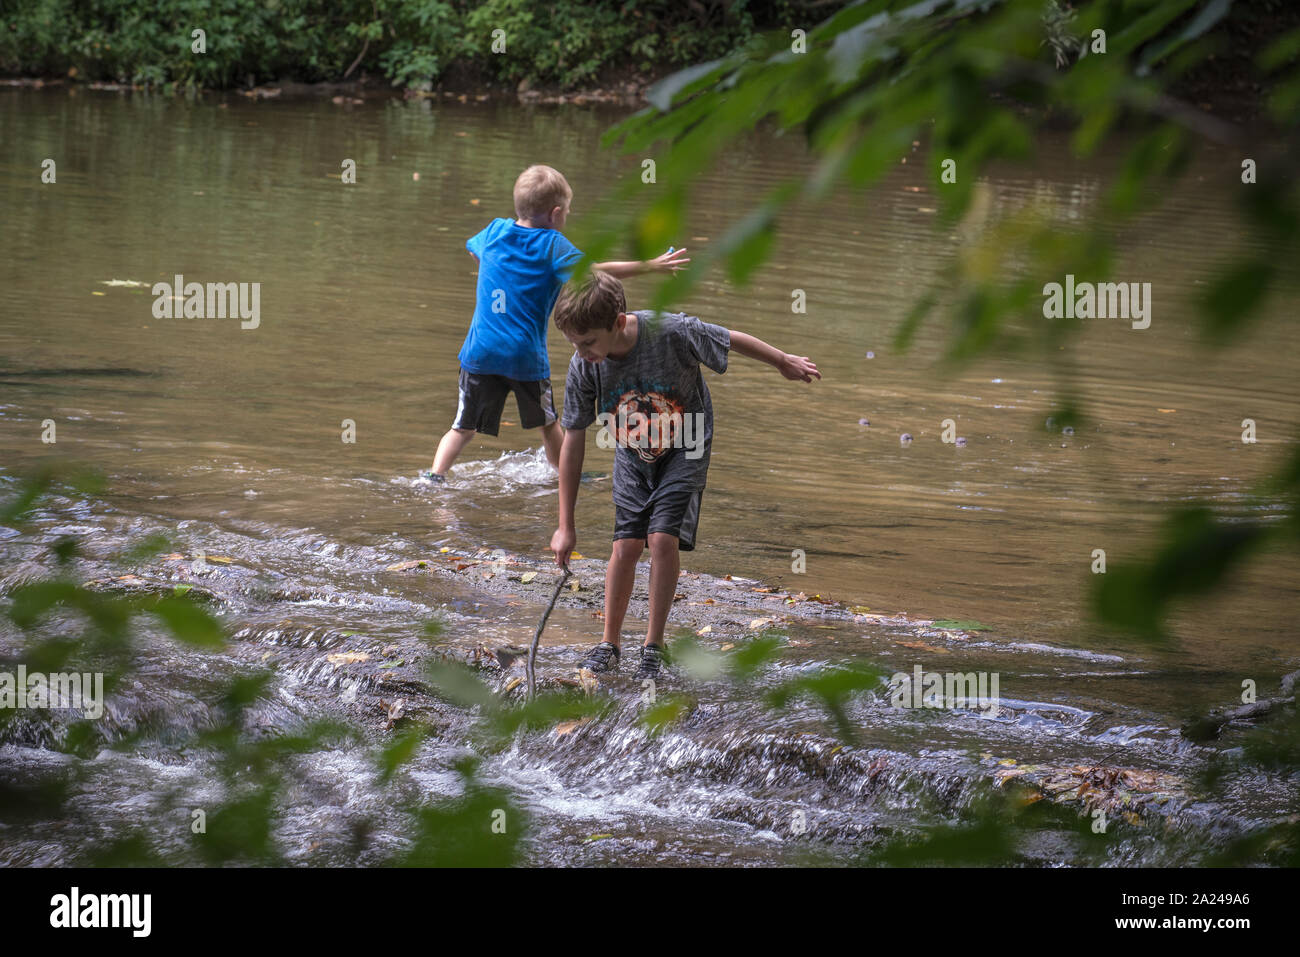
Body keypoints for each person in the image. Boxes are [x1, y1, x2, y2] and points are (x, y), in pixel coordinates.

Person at [548, 271, 820, 680]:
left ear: (619, 322)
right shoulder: (584, 367)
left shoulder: (671, 331)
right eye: (574, 343)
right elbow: (572, 442)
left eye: (588, 342)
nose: (581, 351)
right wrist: (564, 525)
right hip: (633, 450)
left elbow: (729, 338)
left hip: (687, 442)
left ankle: (652, 646)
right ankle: (610, 643)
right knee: (624, 546)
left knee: (660, 538)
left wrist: (783, 361)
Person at [425, 165, 688, 480]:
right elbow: (595, 271)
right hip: (524, 358)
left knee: (462, 427)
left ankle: (434, 477)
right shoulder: (553, 246)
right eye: (567, 213)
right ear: (555, 213)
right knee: (548, 425)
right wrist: (649, 266)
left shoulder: (494, 231)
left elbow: (474, 252)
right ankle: (568, 475)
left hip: (479, 353)